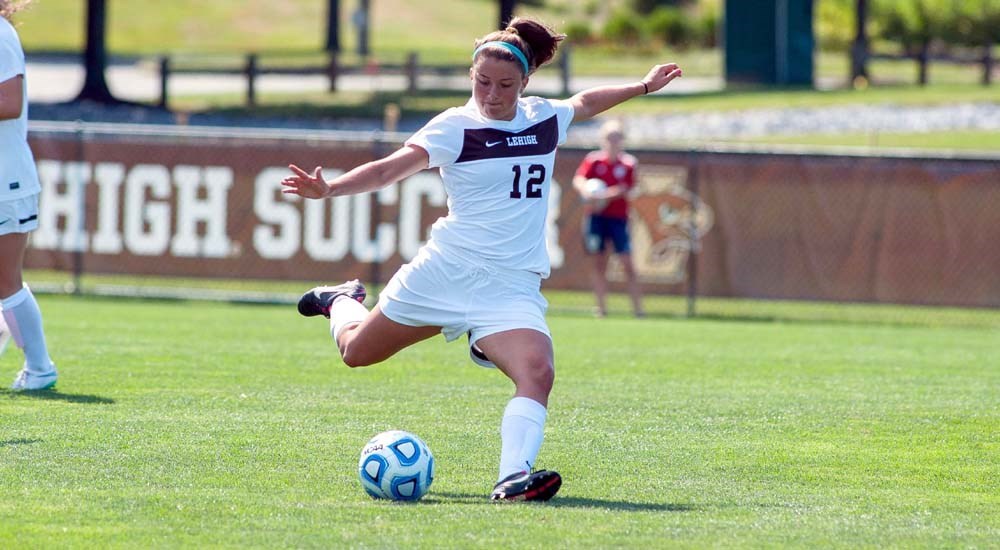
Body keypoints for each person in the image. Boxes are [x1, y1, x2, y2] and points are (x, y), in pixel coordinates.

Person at [282, 17, 681, 501]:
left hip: (510, 284)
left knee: (538, 371)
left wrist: (642, 85)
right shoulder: (455, 127)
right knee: (356, 353)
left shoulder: (541, 117)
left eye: (505, 85)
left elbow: (585, 103)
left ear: (526, 82)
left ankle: (511, 478)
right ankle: (341, 300)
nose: (491, 94)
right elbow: (389, 170)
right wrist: (331, 188)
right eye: (482, 82)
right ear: (471, 77)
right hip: (446, 272)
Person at [0, 0, 57, 391]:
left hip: (6, 179)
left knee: (6, 280)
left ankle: (40, 368)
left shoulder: (0, 34)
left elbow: (10, 102)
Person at [573, 119, 645, 318]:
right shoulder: (593, 161)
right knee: (599, 262)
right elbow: (579, 179)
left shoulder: (628, 163)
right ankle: (601, 308)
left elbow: (625, 189)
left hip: (618, 220)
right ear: (602, 139)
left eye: (616, 137)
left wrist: (601, 196)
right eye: (609, 137)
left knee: (627, 263)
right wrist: (586, 191)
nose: (612, 142)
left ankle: (638, 309)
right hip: (596, 218)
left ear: (622, 140)